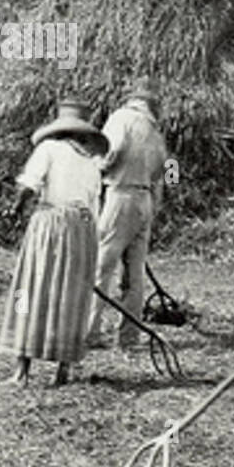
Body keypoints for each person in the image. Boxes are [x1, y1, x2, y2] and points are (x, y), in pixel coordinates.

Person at [0, 99, 108, 387]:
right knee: (71, 295)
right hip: (83, 230)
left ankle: (22, 371)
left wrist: (14, 208)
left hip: (52, 225)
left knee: (31, 287)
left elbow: (29, 184)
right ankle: (63, 369)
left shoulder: (48, 149)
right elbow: (95, 205)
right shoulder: (93, 162)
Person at [86, 77, 169, 350]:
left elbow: (112, 151)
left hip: (121, 195)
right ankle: (129, 337)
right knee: (135, 275)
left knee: (102, 266)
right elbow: (164, 171)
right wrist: (154, 205)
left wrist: (95, 169)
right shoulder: (155, 131)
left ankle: (90, 331)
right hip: (145, 199)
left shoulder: (121, 118)